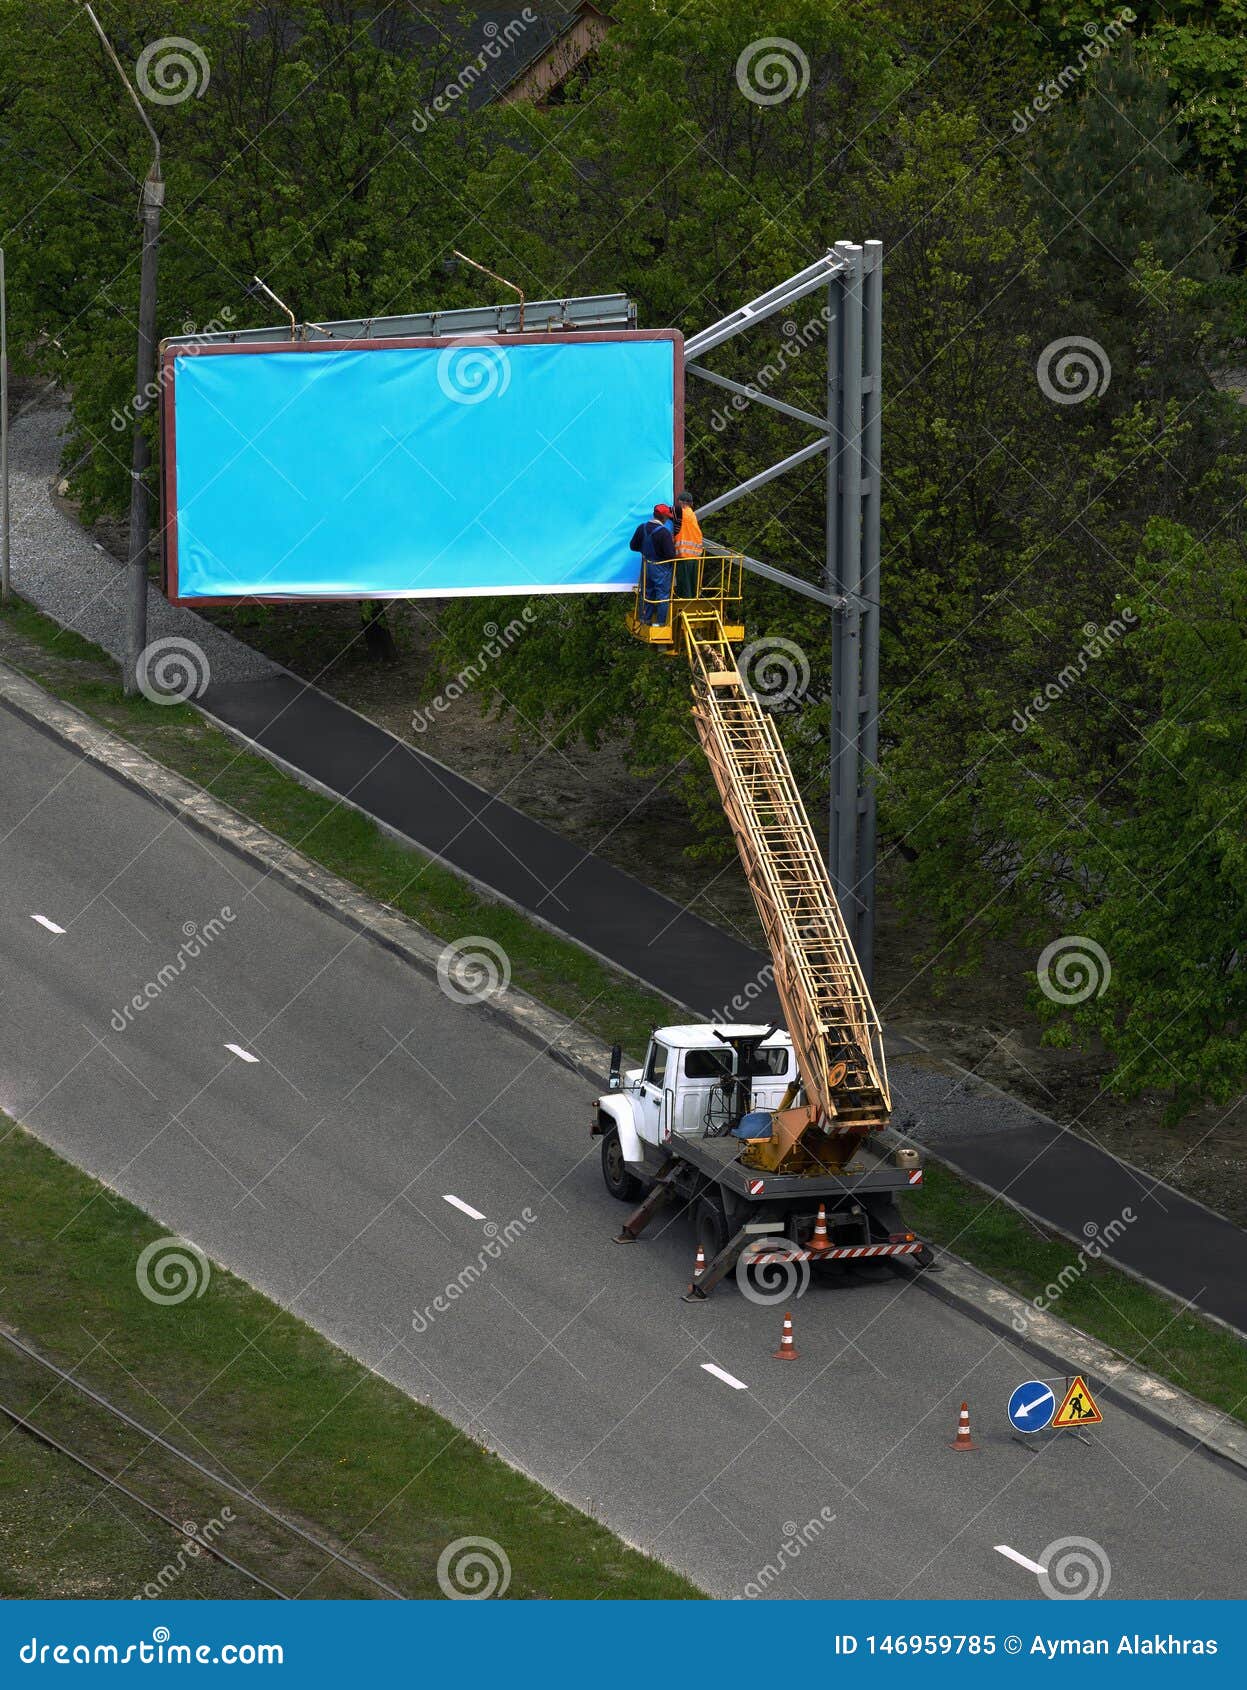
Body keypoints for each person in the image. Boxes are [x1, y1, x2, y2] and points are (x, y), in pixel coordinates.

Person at [630, 503, 677, 625]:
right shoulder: (664, 533)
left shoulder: (642, 528)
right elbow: (671, 555)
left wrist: (645, 550)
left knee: (646, 593)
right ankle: (661, 623)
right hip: (661, 567)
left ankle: (645, 619)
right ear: (664, 517)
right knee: (663, 595)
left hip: (646, 565)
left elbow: (633, 546)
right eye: (667, 516)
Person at [671, 491, 703, 598]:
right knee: (693, 586)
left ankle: (685, 608)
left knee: (684, 588)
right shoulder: (692, 515)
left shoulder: (682, 514)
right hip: (695, 558)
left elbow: (665, 511)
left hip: (683, 557)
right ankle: (693, 606)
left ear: (681, 503)